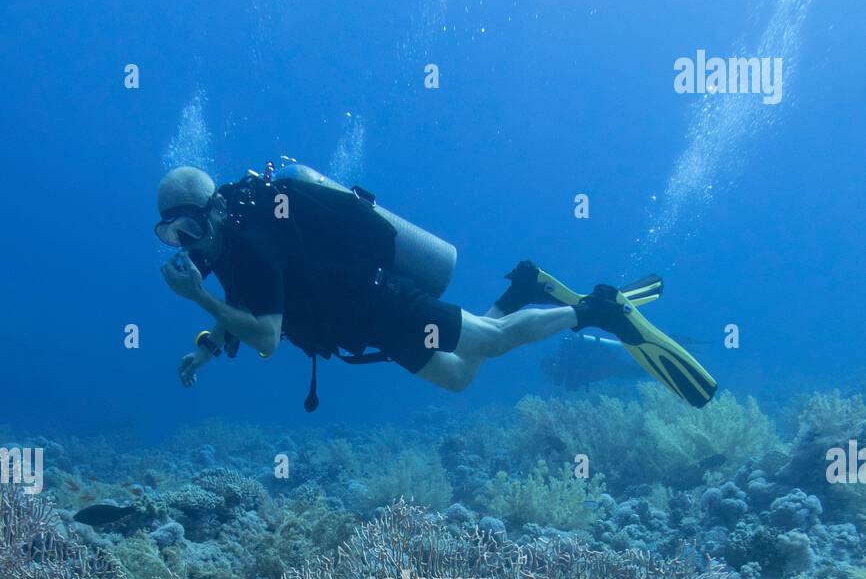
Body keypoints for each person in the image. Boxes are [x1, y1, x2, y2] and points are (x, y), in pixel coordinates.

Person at [156, 165, 716, 410]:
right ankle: (523, 289)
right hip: (360, 327)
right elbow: (243, 303)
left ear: (214, 208)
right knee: (457, 378)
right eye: (169, 234)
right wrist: (206, 347)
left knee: (492, 343)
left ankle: (597, 312)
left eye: (186, 228)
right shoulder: (222, 246)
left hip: (381, 303)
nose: (183, 243)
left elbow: (266, 337)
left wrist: (196, 300)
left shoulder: (249, 240)